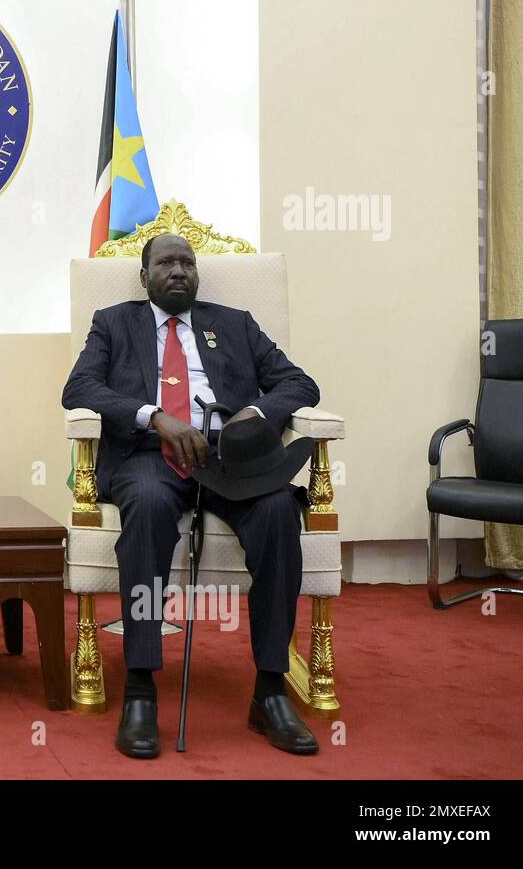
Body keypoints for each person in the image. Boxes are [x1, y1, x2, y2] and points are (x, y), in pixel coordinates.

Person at [62, 233, 322, 758]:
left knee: (276, 512)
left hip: (233, 462)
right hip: (147, 458)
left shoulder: (235, 323)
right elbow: (80, 389)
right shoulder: (113, 322)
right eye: (165, 263)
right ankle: (140, 688)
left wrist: (257, 414)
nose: (178, 271)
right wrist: (154, 417)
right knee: (150, 508)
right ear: (144, 276)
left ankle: (270, 690)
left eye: (187, 263)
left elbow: (299, 385)